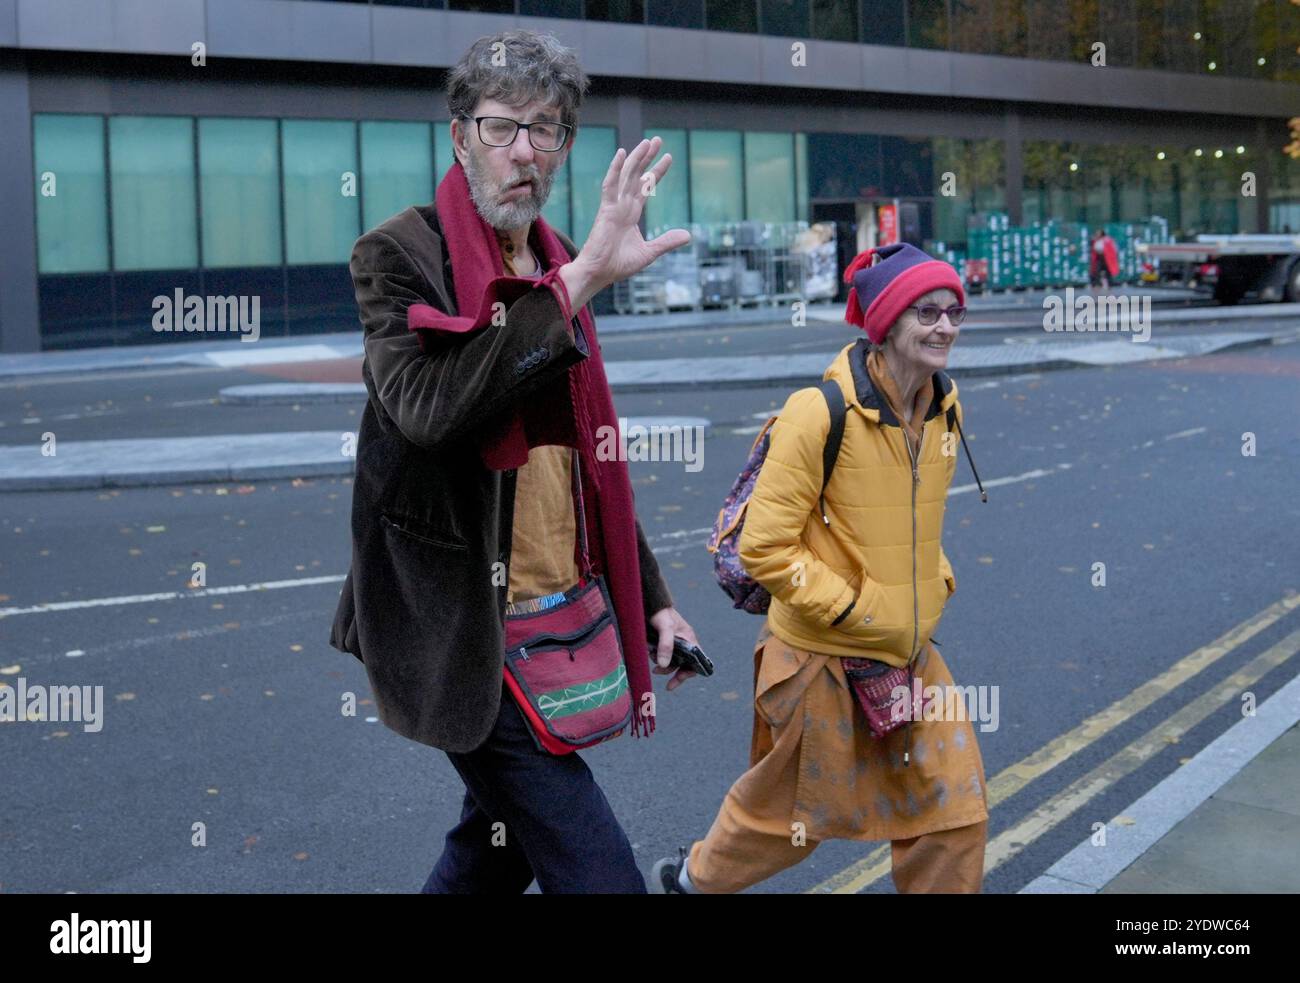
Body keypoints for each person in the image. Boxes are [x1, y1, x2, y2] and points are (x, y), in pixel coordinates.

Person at [328, 29, 700, 894]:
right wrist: (574, 290)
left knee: (491, 852)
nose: (524, 151)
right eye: (502, 127)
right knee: (603, 875)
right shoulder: (397, 256)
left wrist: (655, 600)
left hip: (552, 610)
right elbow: (427, 411)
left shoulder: (562, 258)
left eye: (548, 129)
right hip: (459, 624)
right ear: (461, 136)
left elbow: (584, 459)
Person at [653, 243, 989, 894]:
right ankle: (694, 880)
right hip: (817, 659)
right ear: (888, 320)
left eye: (955, 312)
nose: (945, 326)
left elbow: (914, 525)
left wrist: (929, 585)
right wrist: (857, 608)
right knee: (785, 821)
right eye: (928, 311)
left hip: (909, 654)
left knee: (952, 816)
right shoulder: (819, 413)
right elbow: (766, 547)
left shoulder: (948, 410)